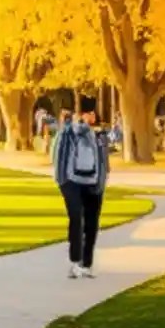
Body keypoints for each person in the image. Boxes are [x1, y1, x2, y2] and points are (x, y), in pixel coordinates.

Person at [52, 97, 110, 279]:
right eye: (87, 113)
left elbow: (103, 159)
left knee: (92, 223)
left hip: (93, 182)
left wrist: (101, 181)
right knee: (76, 218)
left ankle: (87, 263)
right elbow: (60, 148)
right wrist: (61, 180)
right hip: (71, 180)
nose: (91, 117)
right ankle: (75, 261)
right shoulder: (70, 131)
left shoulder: (99, 135)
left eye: (93, 113)